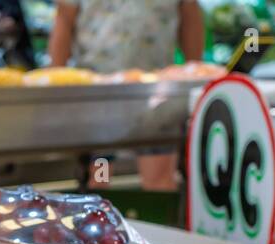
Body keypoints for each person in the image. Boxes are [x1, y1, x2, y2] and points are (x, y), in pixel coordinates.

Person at [47, 1, 205, 190]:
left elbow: (190, 18)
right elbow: (65, 18)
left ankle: (156, 210)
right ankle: (99, 209)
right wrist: (56, 78)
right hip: (100, 93)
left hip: (155, 93)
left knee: (159, 178)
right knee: (100, 174)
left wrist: (194, 70)